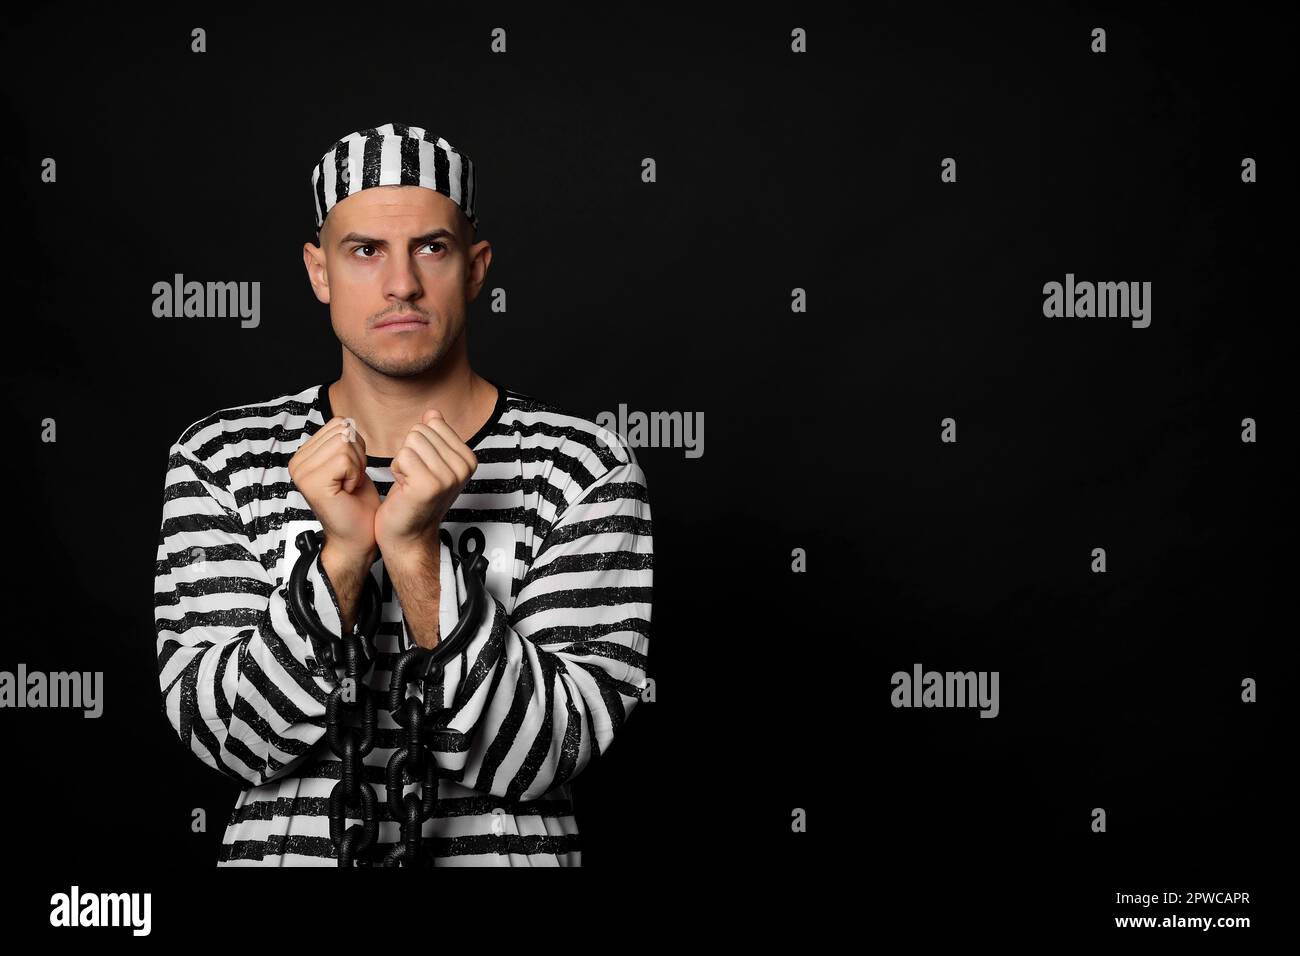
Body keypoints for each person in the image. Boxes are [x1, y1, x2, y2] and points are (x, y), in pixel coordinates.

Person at [153, 123, 653, 866]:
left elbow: (545, 754)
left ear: (476, 268)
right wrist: (342, 557)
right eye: (365, 251)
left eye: (432, 248)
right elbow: (231, 739)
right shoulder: (222, 459)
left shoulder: (583, 467)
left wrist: (417, 555)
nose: (401, 285)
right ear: (318, 271)